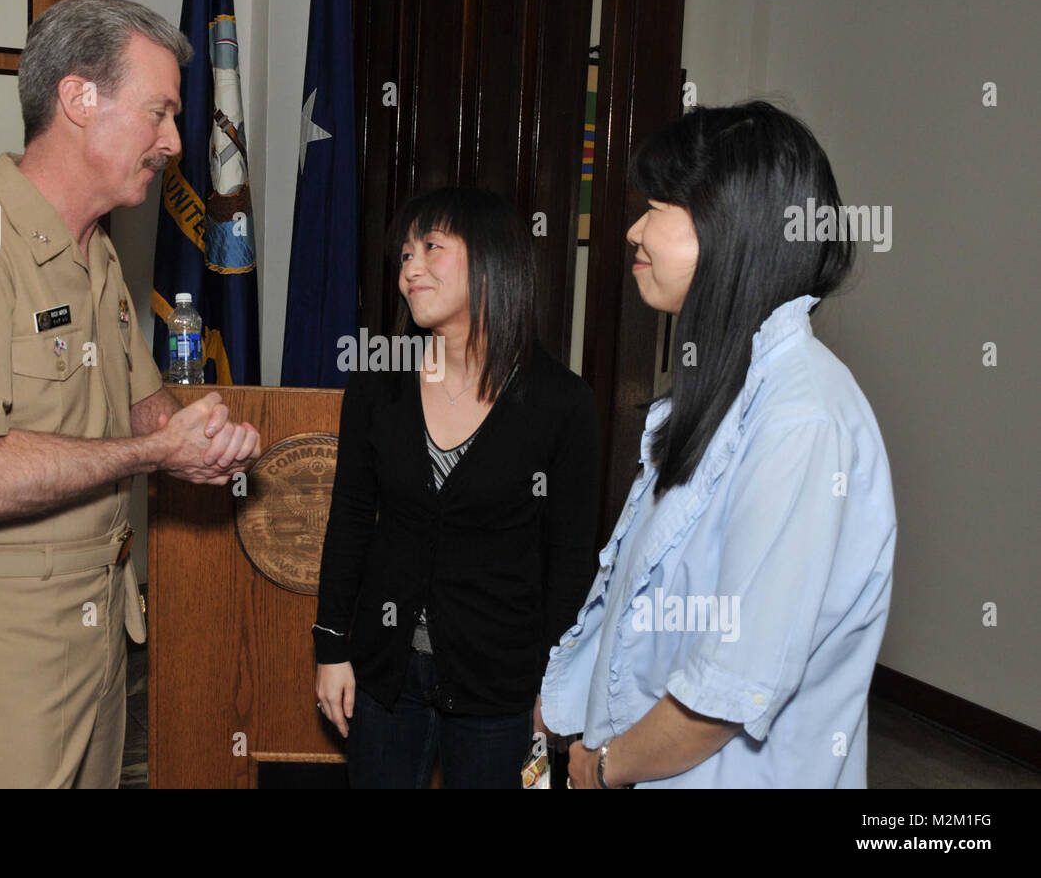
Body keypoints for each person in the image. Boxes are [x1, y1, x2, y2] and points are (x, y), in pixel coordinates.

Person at [0, 0, 261, 789]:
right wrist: (155, 451)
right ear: (79, 99)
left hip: (98, 623)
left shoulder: (99, 254)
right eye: (158, 113)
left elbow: (139, 407)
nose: (176, 143)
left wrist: (197, 442)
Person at [540, 101, 896, 789]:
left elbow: (727, 691)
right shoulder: (723, 389)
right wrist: (566, 704)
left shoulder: (803, 419)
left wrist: (601, 766)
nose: (635, 231)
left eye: (659, 206)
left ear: (732, 226)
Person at [313, 186, 602, 788]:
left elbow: (571, 562)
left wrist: (558, 687)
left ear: (492, 261)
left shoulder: (561, 403)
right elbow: (349, 522)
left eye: (431, 248)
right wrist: (331, 649)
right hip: (387, 676)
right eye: (404, 256)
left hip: (501, 688)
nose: (409, 269)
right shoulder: (378, 383)